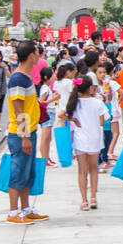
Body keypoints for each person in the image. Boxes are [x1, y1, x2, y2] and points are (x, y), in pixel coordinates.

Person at [5, 40, 47, 224]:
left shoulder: (26, 77)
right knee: (19, 171)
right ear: (31, 55)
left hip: (29, 131)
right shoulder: (18, 79)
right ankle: (13, 212)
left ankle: (25, 208)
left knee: (27, 172)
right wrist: (24, 137)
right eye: (37, 52)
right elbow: (18, 110)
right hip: (20, 134)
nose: (39, 55)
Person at [66, 76, 107, 210]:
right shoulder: (97, 103)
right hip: (95, 138)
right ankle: (93, 198)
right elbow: (103, 121)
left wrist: (73, 120)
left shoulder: (74, 103)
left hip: (80, 140)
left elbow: (62, 114)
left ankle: (84, 200)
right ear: (90, 88)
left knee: (81, 172)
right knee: (93, 169)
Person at [36, 65, 58, 168]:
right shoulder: (45, 88)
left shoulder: (47, 88)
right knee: (45, 138)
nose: (54, 76)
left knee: (48, 138)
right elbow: (42, 102)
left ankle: (47, 157)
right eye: (52, 74)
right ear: (46, 77)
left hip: (50, 113)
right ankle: (44, 159)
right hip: (48, 113)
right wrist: (53, 99)